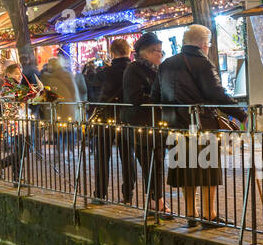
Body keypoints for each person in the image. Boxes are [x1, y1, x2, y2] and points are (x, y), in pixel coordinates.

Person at [151, 23, 246, 227]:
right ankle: (209, 214)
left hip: (175, 125)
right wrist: (241, 114)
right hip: (202, 124)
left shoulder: (166, 64)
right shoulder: (202, 63)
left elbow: (155, 96)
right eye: (209, 44)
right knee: (207, 170)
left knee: (186, 170)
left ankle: (191, 214)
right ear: (204, 44)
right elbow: (216, 94)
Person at [123, 32, 168, 214]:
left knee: (157, 164)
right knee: (150, 165)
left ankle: (156, 203)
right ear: (144, 53)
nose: (160, 54)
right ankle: (155, 204)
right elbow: (134, 97)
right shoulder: (134, 69)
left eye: (161, 51)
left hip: (156, 124)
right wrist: (157, 99)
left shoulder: (160, 70)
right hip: (140, 125)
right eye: (156, 51)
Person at [91, 37, 135, 203]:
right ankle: (128, 194)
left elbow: (93, 86)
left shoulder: (106, 72)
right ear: (128, 51)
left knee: (102, 156)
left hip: (106, 117)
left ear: (112, 53)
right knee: (127, 155)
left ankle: (100, 193)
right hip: (126, 117)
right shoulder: (133, 69)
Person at [40, 51, 86, 158]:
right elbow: (74, 91)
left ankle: (60, 151)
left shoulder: (47, 78)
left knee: (59, 132)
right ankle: (69, 151)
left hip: (56, 107)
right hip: (68, 106)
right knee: (69, 131)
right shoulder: (67, 75)